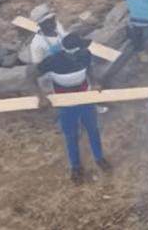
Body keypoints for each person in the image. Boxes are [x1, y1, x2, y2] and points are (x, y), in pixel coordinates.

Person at [37, 33, 111, 185]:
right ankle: (76, 167)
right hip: (65, 103)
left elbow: (89, 69)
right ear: (73, 52)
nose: (84, 51)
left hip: (85, 98)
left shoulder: (85, 55)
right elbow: (30, 73)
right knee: (71, 135)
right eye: (81, 49)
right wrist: (40, 96)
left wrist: (95, 83)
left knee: (93, 130)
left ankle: (99, 158)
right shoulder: (53, 61)